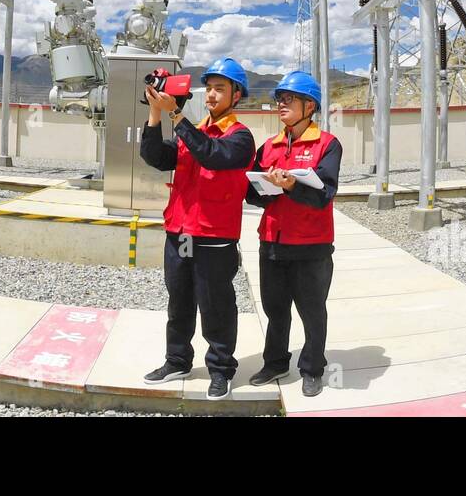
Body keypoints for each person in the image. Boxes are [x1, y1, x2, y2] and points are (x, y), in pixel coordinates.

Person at [139, 58, 255, 401]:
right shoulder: (195, 131)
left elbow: (212, 156)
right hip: (181, 233)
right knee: (180, 300)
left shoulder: (240, 137)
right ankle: (177, 360)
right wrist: (155, 114)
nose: (212, 95)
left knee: (215, 304)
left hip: (214, 237)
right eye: (210, 88)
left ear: (237, 95)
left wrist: (176, 115)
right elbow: (156, 157)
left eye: (221, 88)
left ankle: (221, 369)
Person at [245, 72, 340, 398]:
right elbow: (252, 196)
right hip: (272, 242)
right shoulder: (268, 146)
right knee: (275, 309)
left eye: (288, 99)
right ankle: (275, 362)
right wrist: (265, 186)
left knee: (312, 311)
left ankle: (312, 367)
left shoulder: (327, 145)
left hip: (312, 246)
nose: (281, 104)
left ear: (309, 105)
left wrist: (292, 185)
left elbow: (324, 194)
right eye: (279, 99)